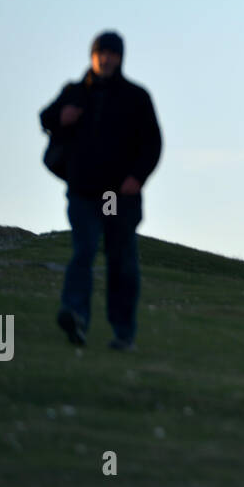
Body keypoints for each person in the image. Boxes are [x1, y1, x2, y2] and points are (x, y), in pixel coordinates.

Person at [39, 31, 162, 351]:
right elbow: (46, 117)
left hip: (118, 196)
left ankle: (123, 333)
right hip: (84, 191)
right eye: (100, 53)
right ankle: (76, 316)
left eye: (111, 53)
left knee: (121, 260)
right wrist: (61, 118)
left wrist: (137, 176)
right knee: (84, 250)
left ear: (121, 58)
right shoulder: (76, 91)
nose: (105, 59)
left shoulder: (136, 97)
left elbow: (153, 143)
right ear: (92, 56)